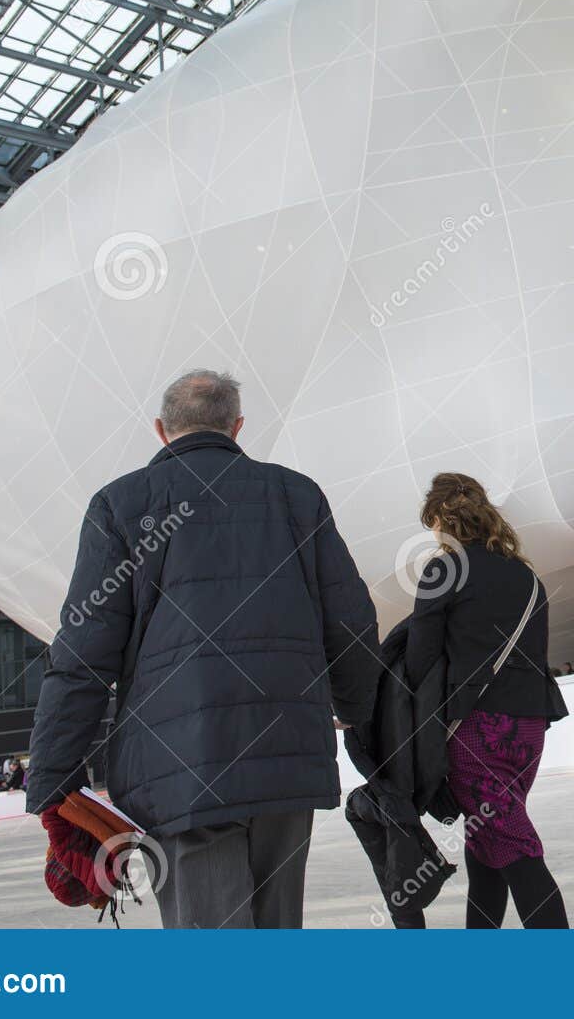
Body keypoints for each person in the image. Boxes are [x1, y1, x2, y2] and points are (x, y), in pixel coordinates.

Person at [27, 370, 379, 929]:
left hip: (181, 767)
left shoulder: (119, 505)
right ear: (237, 426)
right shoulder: (296, 495)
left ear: (161, 429)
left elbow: (83, 652)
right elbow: (351, 622)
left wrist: (52, 771)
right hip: (285, 760)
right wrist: (365, 719)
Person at [404, 472, 570, 929]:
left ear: (443, 517)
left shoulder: (445, 568)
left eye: (431, 524)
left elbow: (420, 658)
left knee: (515, 847)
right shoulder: (527, 577)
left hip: (475, 728)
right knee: (486, 840)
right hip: (529, 729)